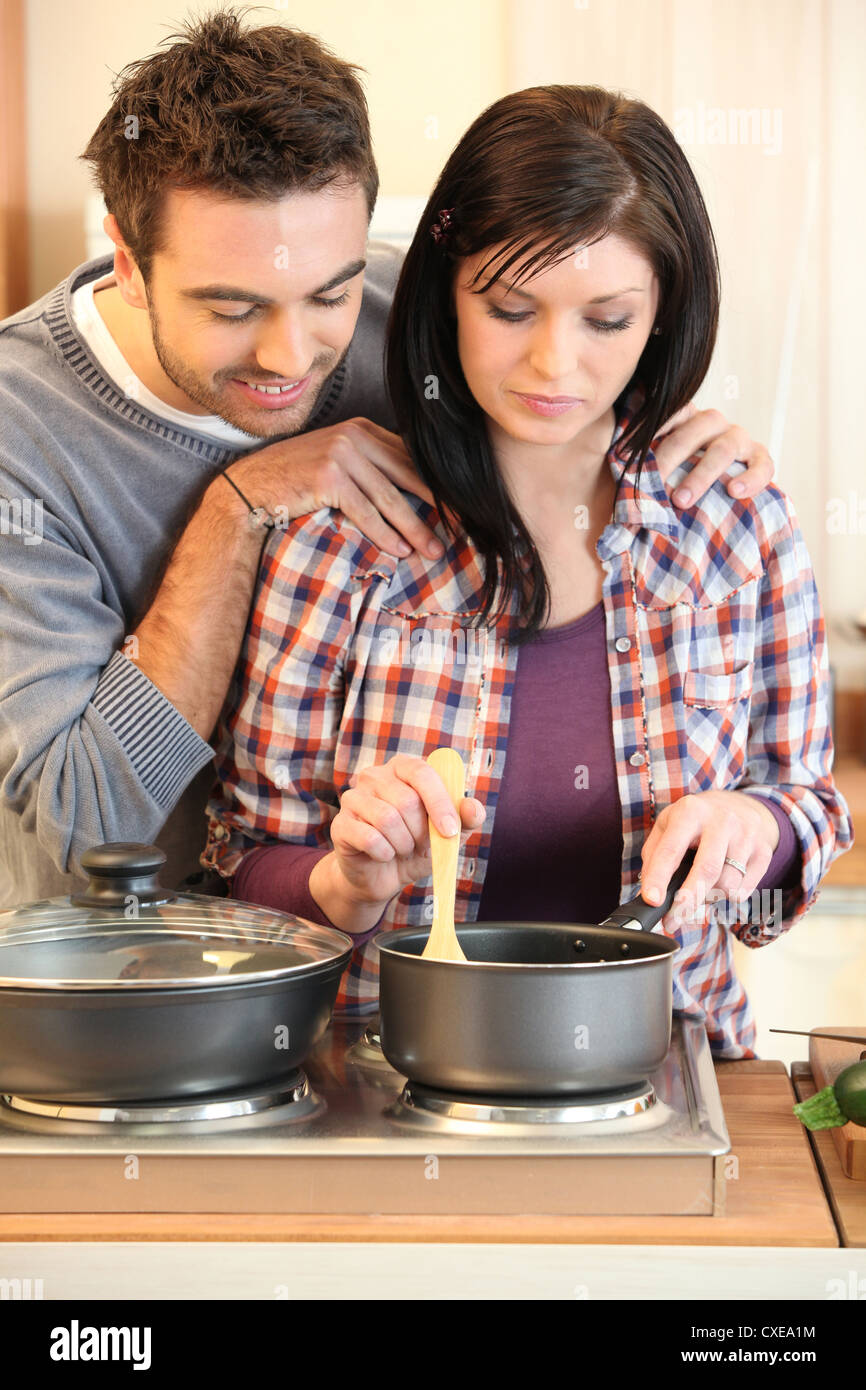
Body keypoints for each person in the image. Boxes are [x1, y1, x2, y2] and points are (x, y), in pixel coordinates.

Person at [0, 11, 778, 910]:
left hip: (337, 982)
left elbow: (562, 361)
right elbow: (88, 830)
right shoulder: (21, 436)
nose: (291, 358)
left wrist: (682, 434)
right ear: (128, 263)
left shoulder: (411, 319)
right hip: (113, 980)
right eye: (231, 308)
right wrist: (237, 508)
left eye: (327, 291)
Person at [203, 81, 853, 1058]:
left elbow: (806, 813)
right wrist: (339, 884)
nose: (554, 365)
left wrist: (756, 829)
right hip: (381, 1078)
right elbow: (240, 865)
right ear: (444, 292)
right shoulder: (338, 540)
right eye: (509, 309)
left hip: (664, 1063)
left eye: (605, 321)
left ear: (662, 313)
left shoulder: (734, 524)